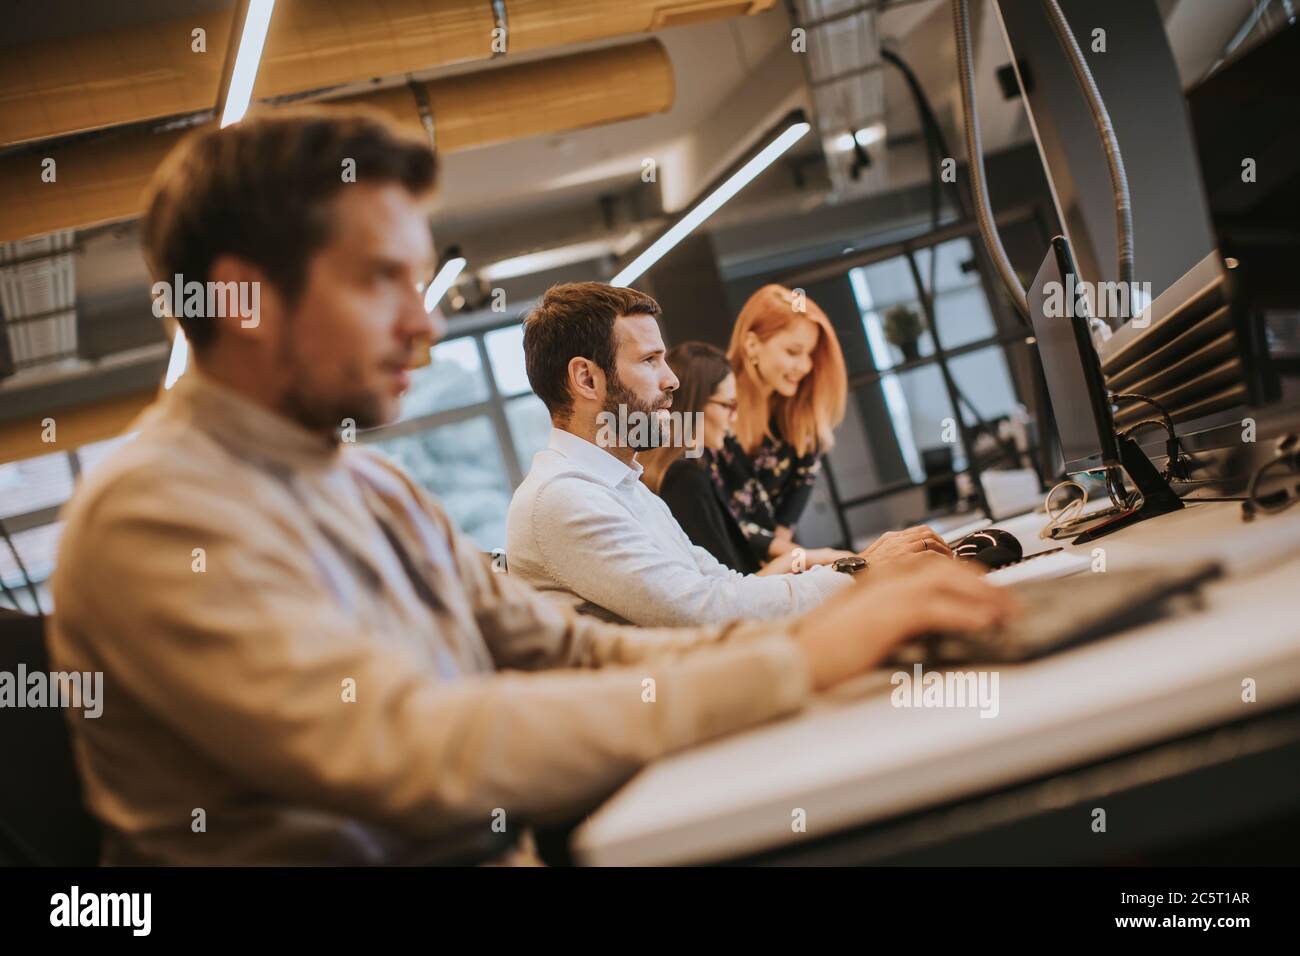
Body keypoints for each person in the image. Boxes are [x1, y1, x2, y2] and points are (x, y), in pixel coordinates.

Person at [47, 108, 1014, 866]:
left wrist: (837, 633)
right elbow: (410, 745)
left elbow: (573, 654)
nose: (423, 329)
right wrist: (801, 660)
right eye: (382, 280)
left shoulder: (374, 489)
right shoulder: (151, 515)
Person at [506, 282, 955, 627]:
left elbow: (726, 586)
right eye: (649, 361)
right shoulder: (562, 500)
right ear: (586, 379)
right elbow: (703, 613)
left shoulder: (625, 488)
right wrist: (858, 573)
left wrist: (854, 568)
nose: (672, 381)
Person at [640, 341, 851, 575]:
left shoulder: (684, 471)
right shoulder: (683, 479)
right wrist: (805, 558)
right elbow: (729, 594)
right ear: (695, 406)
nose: (734, 417)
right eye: (728, 405)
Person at [713, 284, 848, 565]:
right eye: (793, 351)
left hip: (769, 574)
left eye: (810, 354)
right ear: (751, 345)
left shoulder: (804, 432)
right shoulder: (705, 420)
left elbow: (782, 535)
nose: (805, 366)